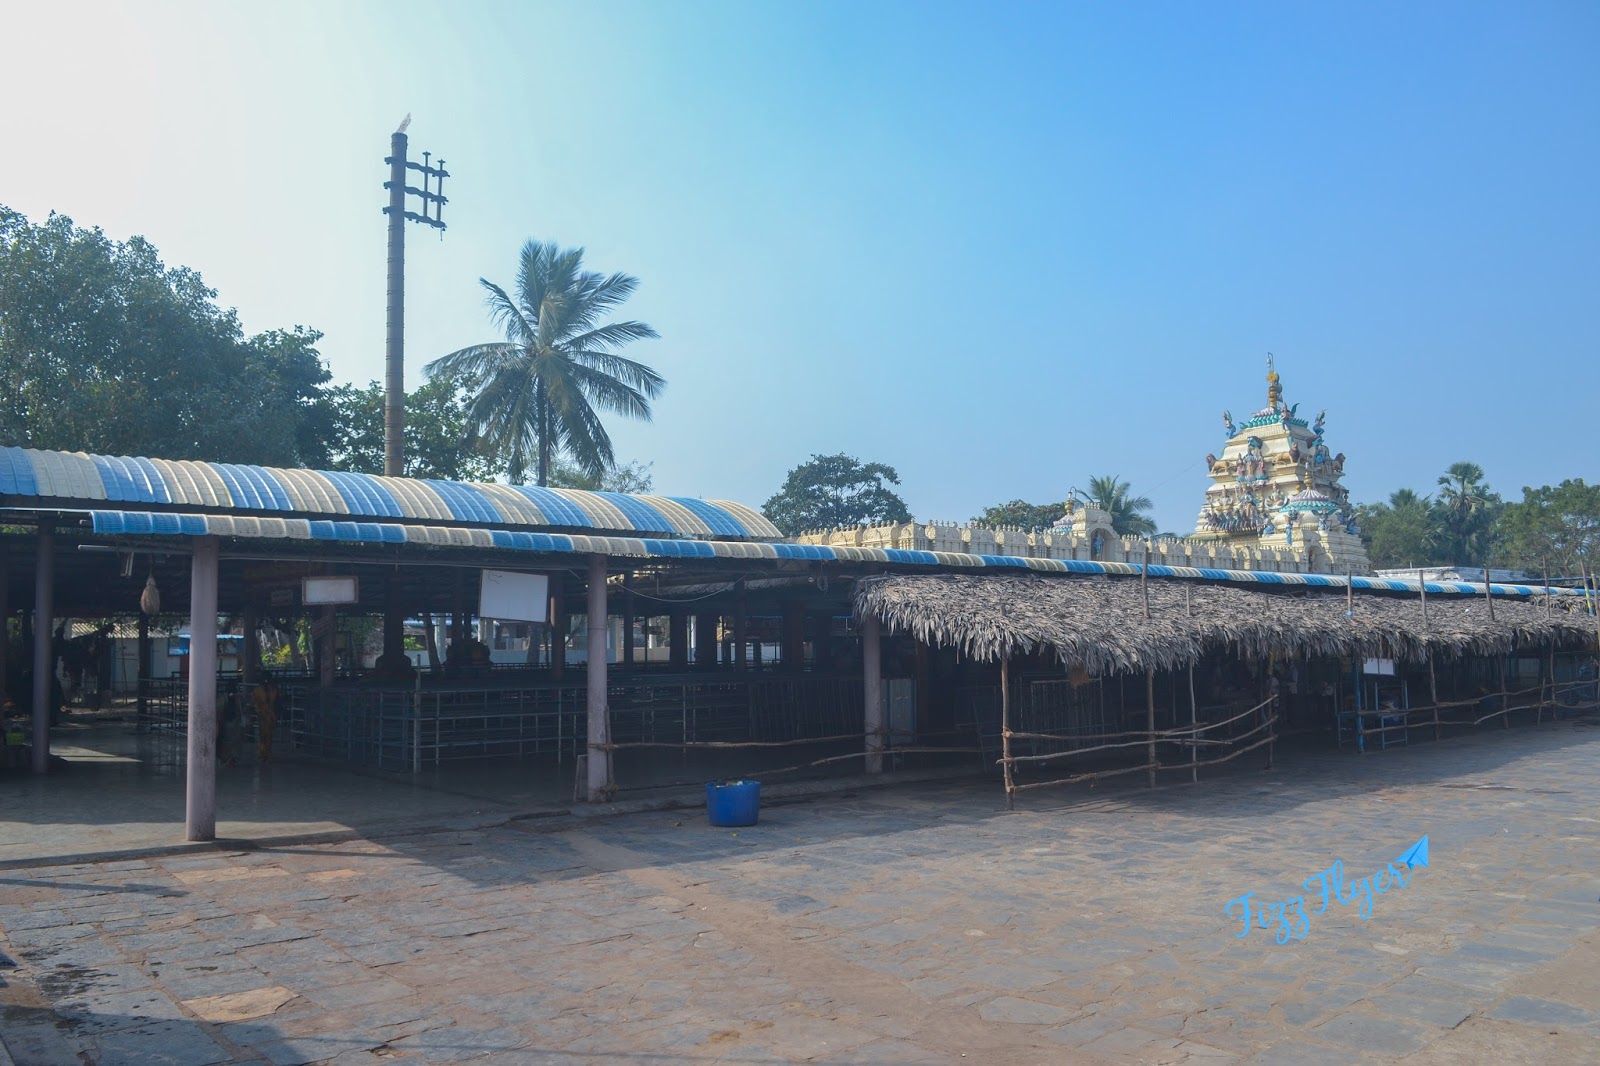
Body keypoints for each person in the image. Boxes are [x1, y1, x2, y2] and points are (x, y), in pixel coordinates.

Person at [252, 671, 281, 763]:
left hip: (264, 714)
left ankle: (264, 753)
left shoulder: (257, 690)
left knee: (263, 735)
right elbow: (278, 702)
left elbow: (254, 702)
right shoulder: (274, 690)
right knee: (268, 735)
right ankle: (266, 753)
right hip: (268, 715)